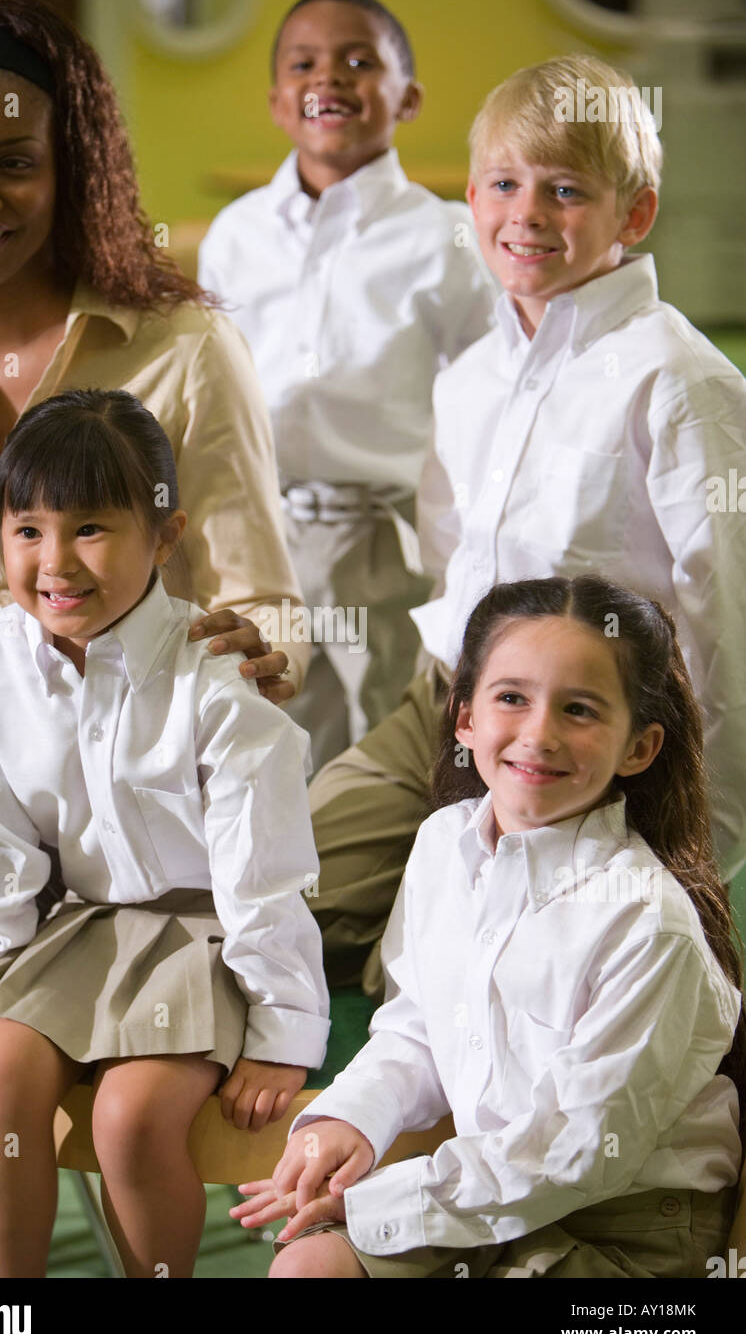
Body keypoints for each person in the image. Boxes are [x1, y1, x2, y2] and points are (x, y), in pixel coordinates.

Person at [0, 0, 310, 1025]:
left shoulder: (184, 352)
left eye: (14, 162)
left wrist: (257, 648)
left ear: (73, 177)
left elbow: (269, 603)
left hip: (134, 801)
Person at [307, 53, 746, 993]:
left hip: (589, 729)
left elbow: (725, 630)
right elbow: (449, 550)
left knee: (447, 980)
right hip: (451, 699)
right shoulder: (471, 378)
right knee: (285, 899)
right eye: (505, 185)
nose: (529, 214)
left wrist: (696, 847)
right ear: (471, 200)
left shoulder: (680, 381)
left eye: (566, 190)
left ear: (634, 214)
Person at [0, 389, 330, 1280]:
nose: (56, 563)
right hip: (79, 930)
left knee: (132, 1120)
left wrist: (280, 1034)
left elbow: (264, 869)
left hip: (204, 937)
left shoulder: (217, 675)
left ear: (167, 535)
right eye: (27, 531)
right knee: (0, 1078)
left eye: (92, 529)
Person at [234, 575, 744, 1279]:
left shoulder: (647, 923)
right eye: (512, 698)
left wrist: (385, 1203)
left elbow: (579, 1152)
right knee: (304, 1270)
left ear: (640, 747)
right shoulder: (444, 843)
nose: (539, 734)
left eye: (581, 709)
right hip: (487, 1191)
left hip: (625, 1229)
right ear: (464, 718)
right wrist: (349, 1116)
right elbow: (416, 1024)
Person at [197, 0, 495, 769]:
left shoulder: (448, 240)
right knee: (262, 739)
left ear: (409, 97)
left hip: (384, 543)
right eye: (305, 63)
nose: (329, 78)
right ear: (276, 100)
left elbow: (485, 406)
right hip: (258, 534)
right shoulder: (237, 234)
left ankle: (379, 890)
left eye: (360, 62)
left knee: (384, 744)